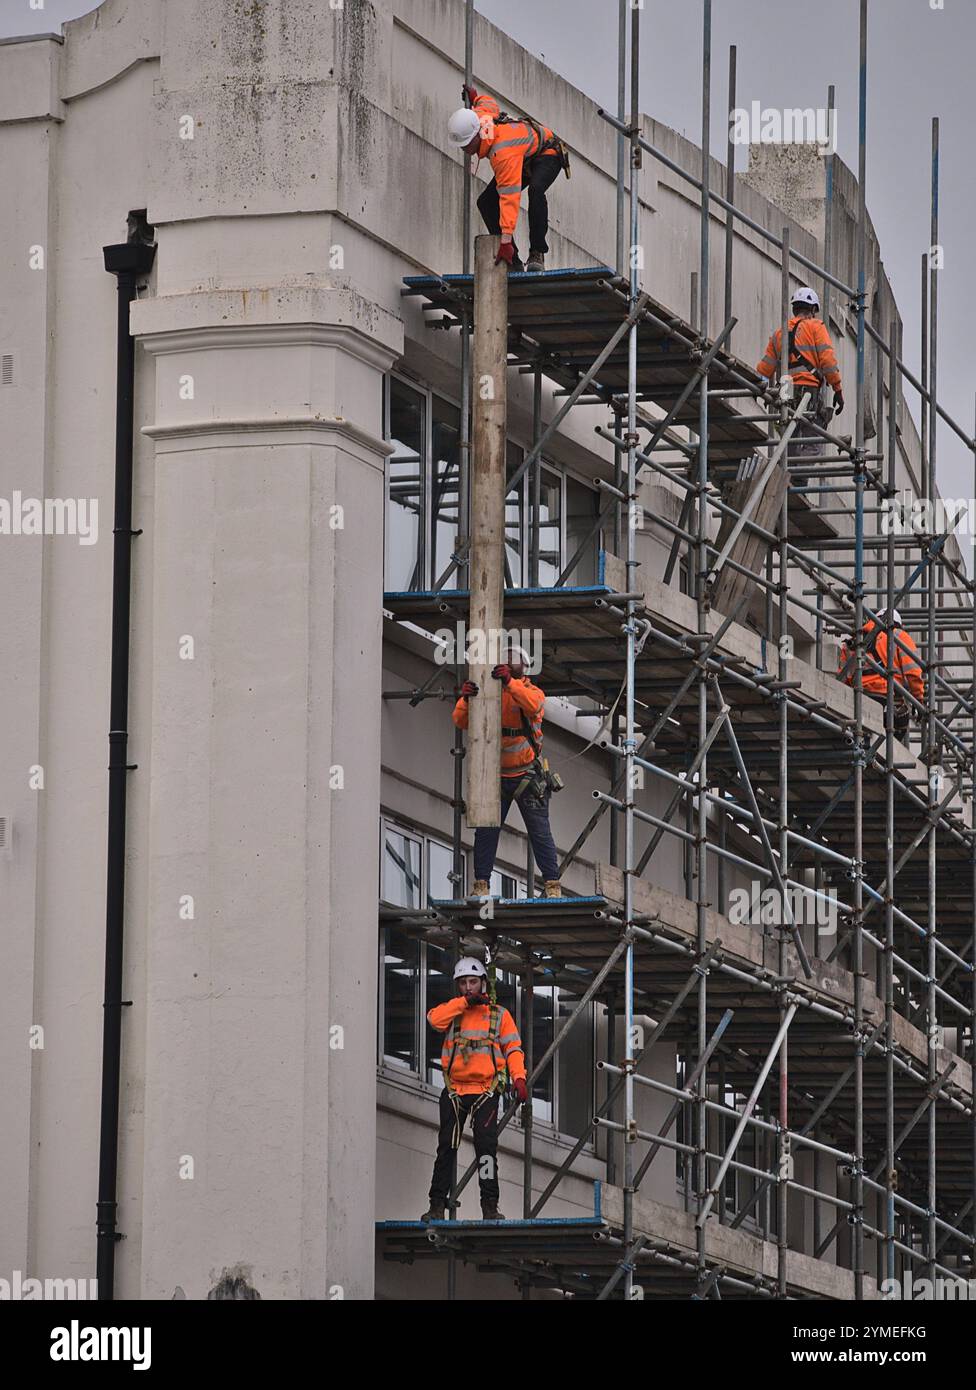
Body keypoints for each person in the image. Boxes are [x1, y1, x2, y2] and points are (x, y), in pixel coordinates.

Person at [421, 957, 527, 1222]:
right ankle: (436, 1205)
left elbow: (513, 1049)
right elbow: (434, 1019)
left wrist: (519, 1078)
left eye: (473, 982)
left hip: (485, 1091)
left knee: (486, 1148)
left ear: (483, 983)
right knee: (446, 1146)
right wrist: (464, 1003)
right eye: (463, 983)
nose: (468, 987)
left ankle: (489, 1206)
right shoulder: (453, 1012)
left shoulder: (499, 1015)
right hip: (455, 1090)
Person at [453, 651, 561, 898]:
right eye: (506, 659)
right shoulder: (492, 694)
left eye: (514, 659)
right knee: (486, 831)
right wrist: (466, 699)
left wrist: (509, 683)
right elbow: (460, 721)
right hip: (497, 776)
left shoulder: (531, 692)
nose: (509, 663)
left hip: (526, 776)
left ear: (525, 667)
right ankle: (481, 883)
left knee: (539, 831)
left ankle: (552, 884)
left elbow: (532, 705)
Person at [446, 84, 569, 272]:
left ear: (476, 136)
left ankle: (537, 252)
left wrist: (505, 241)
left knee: (536, 190)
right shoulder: (480, 117)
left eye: (466, 144)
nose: (464, 150)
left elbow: (509, 198)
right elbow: (488, 103)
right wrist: (475, 97)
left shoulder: (502, 153)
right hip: (525, 156)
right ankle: (514, 261)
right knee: (486, 202)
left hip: (547, 152)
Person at [755, 287, 844, 483]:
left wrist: (758, 388)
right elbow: (827, 362)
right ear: (813, 309)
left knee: (789, 436)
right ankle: (797, 479)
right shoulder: (816, 327)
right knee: (813, 439)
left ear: (795, 309)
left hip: (785, 389)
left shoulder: (779, 333)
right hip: (808, 390)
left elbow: (765, 369)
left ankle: (784, 476)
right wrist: (837, 388)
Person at [837, 608, 924, 737]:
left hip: (859, 696)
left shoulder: (855, 640)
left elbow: (843, 677)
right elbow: (913, 671)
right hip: (885, 695)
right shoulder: (899, 636)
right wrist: (918, 699)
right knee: (896, 731)